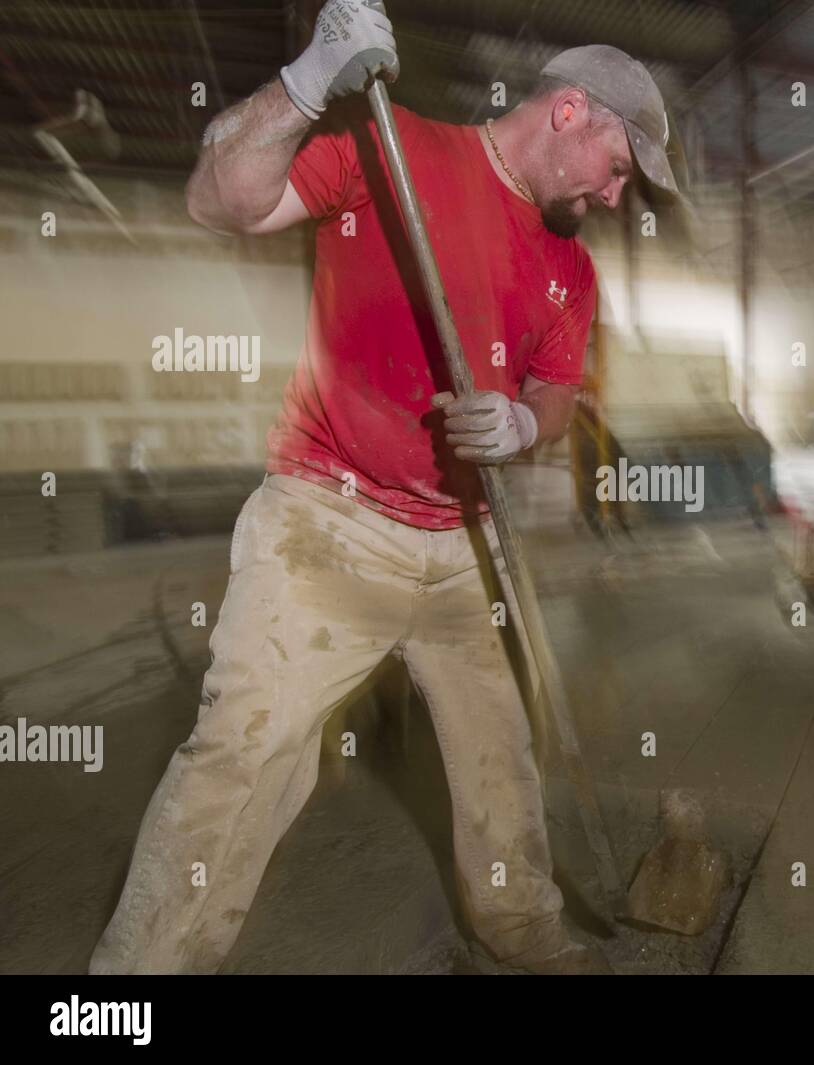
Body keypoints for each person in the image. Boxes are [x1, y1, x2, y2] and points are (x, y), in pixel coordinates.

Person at [91, 0, 679, 974]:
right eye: (620, 167)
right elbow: (220, 201)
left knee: (501, 759)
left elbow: (558, 393)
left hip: (461, 545)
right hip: (326, 522)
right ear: (571, 112)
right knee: (242, 763)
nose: (617, 196)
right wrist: (305, 82)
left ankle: (522, 931)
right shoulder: (391, 150)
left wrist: (523, 423)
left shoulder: (569, 269)